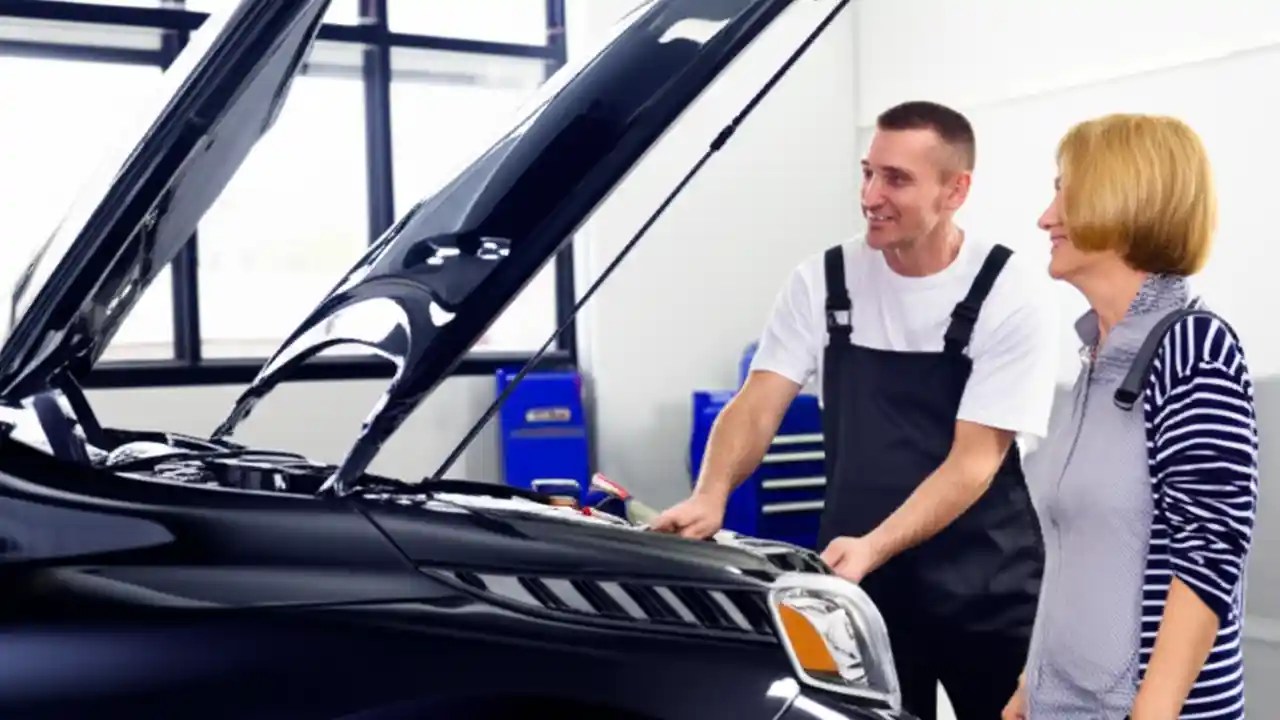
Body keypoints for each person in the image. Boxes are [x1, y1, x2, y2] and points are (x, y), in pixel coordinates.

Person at [651, 100, 1061, 720]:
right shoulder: (822, 281)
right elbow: (758, 403)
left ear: (956, 190)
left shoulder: (1008, 290)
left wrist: (875, 545)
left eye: (896, 179)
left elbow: (974, 462)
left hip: (987, 587)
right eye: (867, 172)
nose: (871, 194)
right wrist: (712, 493)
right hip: (859, 587)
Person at [1001, 113, 1259, 720]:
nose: (1045, 216)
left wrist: (1153, 712)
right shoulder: (1100, 358)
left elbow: (1211, 551)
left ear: (1125, 199)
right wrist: (1027, 688)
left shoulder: (1194, 349)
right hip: (1061, 702)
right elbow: (1076, 552)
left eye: (1065, 189)